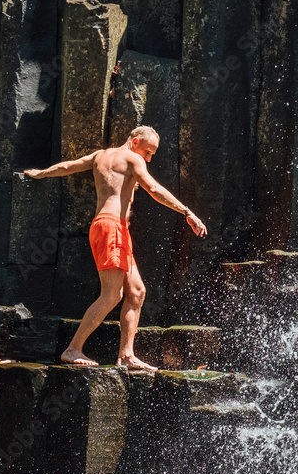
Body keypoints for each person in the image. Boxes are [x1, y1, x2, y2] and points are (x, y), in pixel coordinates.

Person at [24, 126, 207, 369]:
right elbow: (153, 188)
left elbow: (68, 166)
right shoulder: (132, 158)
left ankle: (126, 355)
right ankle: (73, 349)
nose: (149, 158)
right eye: (148, 151)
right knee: (112, 294)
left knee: (137, 291)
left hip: (110, 228)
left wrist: (41, 173)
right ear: (135, 142)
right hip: (112, 228)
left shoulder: (100, 156)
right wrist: (187, 212)